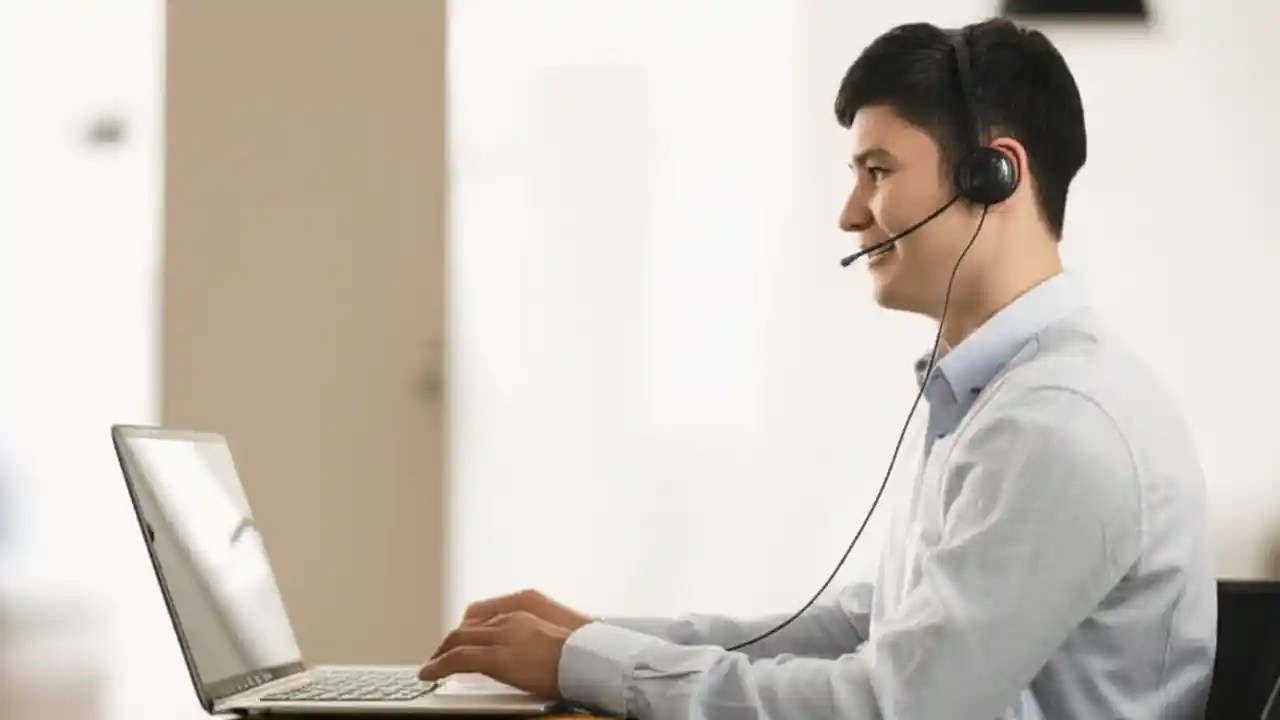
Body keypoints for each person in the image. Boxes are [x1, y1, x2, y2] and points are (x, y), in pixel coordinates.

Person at [418, 17, 1217, 719]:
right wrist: (590, 640)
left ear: (992, 175)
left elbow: (890, 707)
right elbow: (860, 628)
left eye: (877, 172)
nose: (849, 212)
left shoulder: (1059, 423)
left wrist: (585, 665)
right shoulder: (1003, 398)